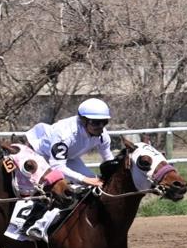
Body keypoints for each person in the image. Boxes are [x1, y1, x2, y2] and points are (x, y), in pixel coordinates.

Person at [16, 97, 115, 239]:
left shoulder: (102, 135)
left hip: (68, 157)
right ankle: (33, 224)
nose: (100, 126)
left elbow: (108, 160)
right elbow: (57, 167)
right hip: (41, 155)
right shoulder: (65, 134)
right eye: (95, 122)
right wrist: (84, 179)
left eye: (104, 122)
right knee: (56, 185)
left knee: (91, 183)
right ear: (83, 120)